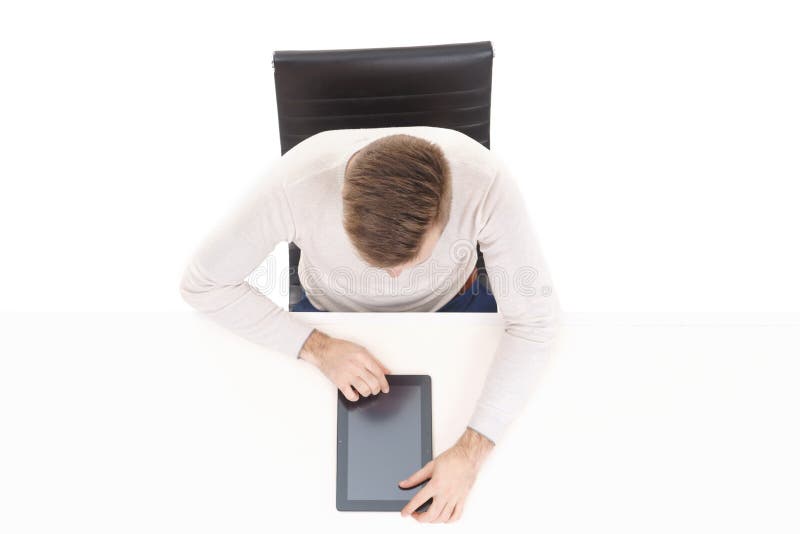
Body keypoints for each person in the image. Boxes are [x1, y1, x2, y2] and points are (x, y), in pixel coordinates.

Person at [179, 125, 561, 523]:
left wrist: (471, 452)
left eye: (410, 262)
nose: (395, 279)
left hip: (455, 304)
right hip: (333, 316)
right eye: (376, 263)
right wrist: (316, 345)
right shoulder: (295, 184)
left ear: (447, 211)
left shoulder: (485, 182)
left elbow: (536, 325)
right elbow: (202, 283)